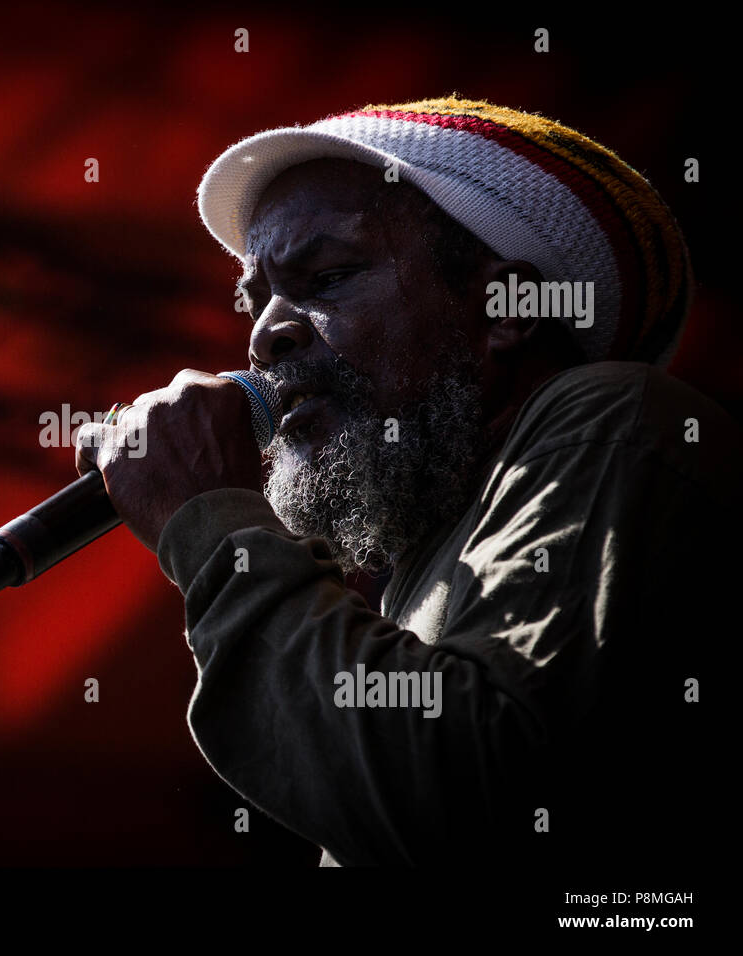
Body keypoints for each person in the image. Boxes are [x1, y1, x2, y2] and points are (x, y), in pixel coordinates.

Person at [74, 97, 741, 866]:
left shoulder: (617, 418)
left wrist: (212, 520)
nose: (263, 334)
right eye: (256, 300)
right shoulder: (427, 556)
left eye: (326, 277)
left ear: (506, 309)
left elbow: (467, 796)